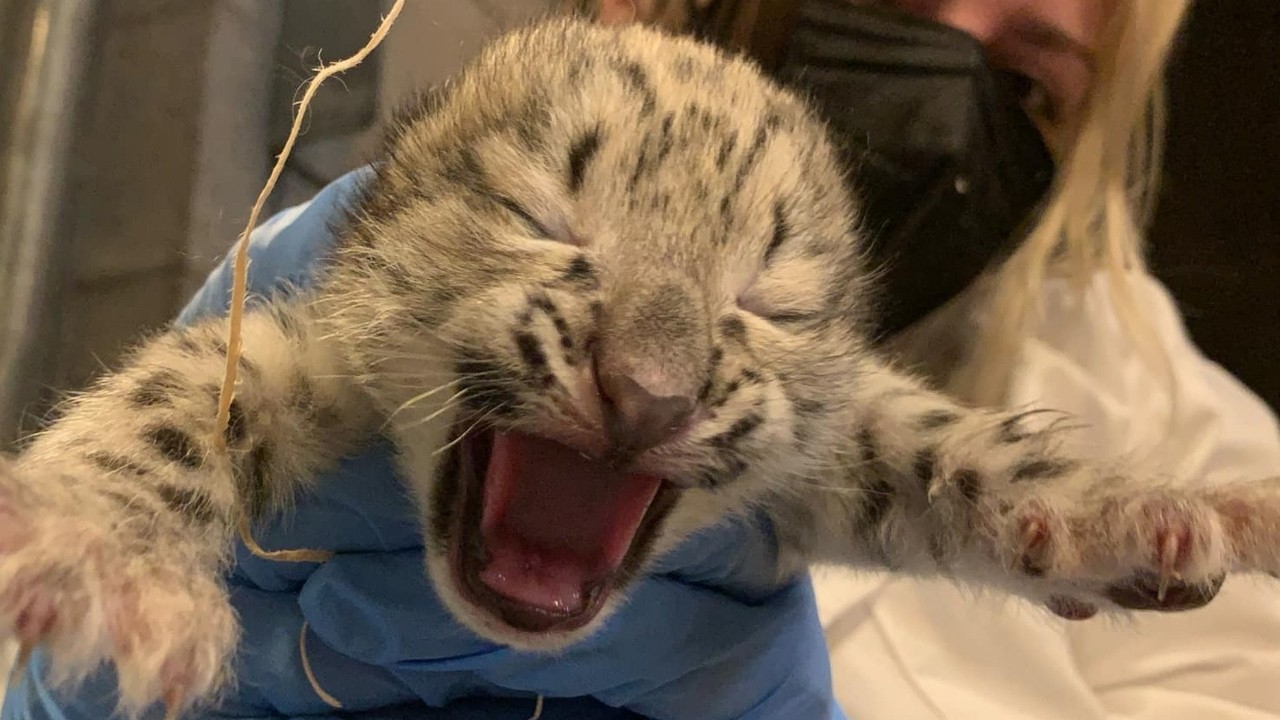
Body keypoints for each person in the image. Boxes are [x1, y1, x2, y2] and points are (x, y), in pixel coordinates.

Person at [5, 2, 1279, 720]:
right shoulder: (349, 278)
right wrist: (110, 539)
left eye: (1021, 82)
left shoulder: (1180, 407)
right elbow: (228, 393)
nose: (652, 377)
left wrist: (1051, 515)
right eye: (548, 223)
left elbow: (867, 443)